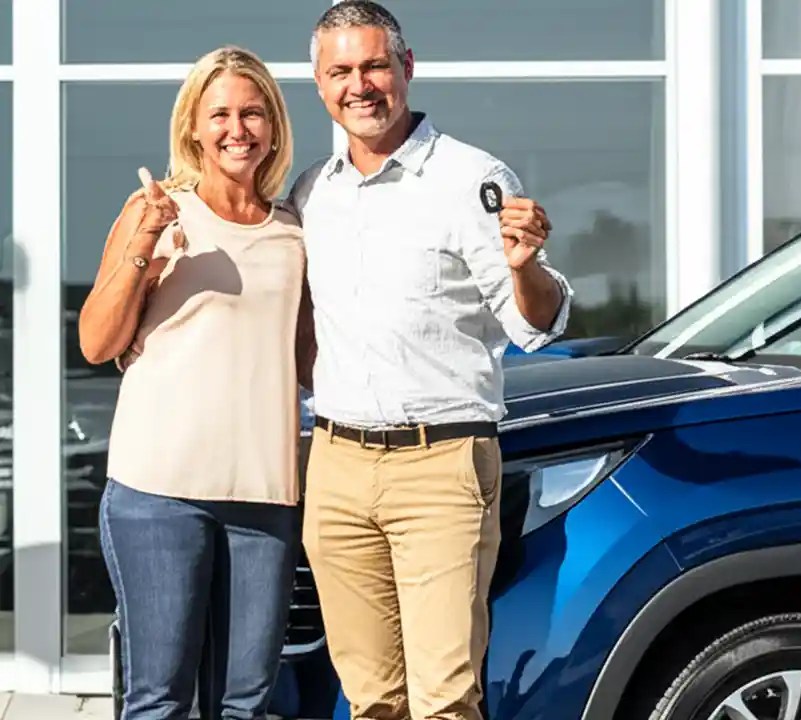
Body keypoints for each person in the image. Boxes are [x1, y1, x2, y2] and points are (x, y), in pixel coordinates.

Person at [287, 2, 573, 719]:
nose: (361, 85)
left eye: (375, 65)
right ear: (319, 84)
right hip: (337, 469)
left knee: (444, 699)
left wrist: (525, 265)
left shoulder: (471, 178)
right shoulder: (312, 191)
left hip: (439, 467)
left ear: (406, 68)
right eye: (341, 71)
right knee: (370, 698)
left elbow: (532, 322)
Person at [78, 46, 306, 719]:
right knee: (160, 702)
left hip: (263, 500)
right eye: (221, 115)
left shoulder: (294, 233)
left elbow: (307, 355)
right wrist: (146, 242)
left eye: (253, 112)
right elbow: (97, 340)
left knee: (246, 705)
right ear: (195, 128)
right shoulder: (158, 211)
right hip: (158, 495)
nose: (237, 129)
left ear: (273, 125)